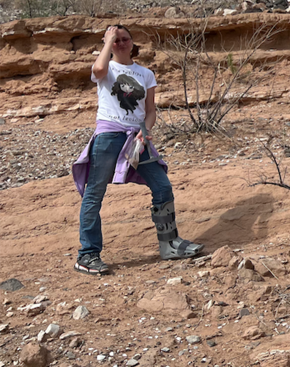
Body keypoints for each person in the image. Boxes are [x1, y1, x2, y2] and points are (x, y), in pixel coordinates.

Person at [72, 24, 202, 275]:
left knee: (162, 185)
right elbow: (98, 70)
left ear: (133, 42)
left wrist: (146, 129)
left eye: (125, 39)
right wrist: (107, 42)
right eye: (116, 39)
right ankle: (87, 255)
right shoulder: (106, 66)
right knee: (95, 193)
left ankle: (170, 244)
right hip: (109, 135)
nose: (121, 43)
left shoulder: (146, 73)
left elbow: (150, 110)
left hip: (137, 138)